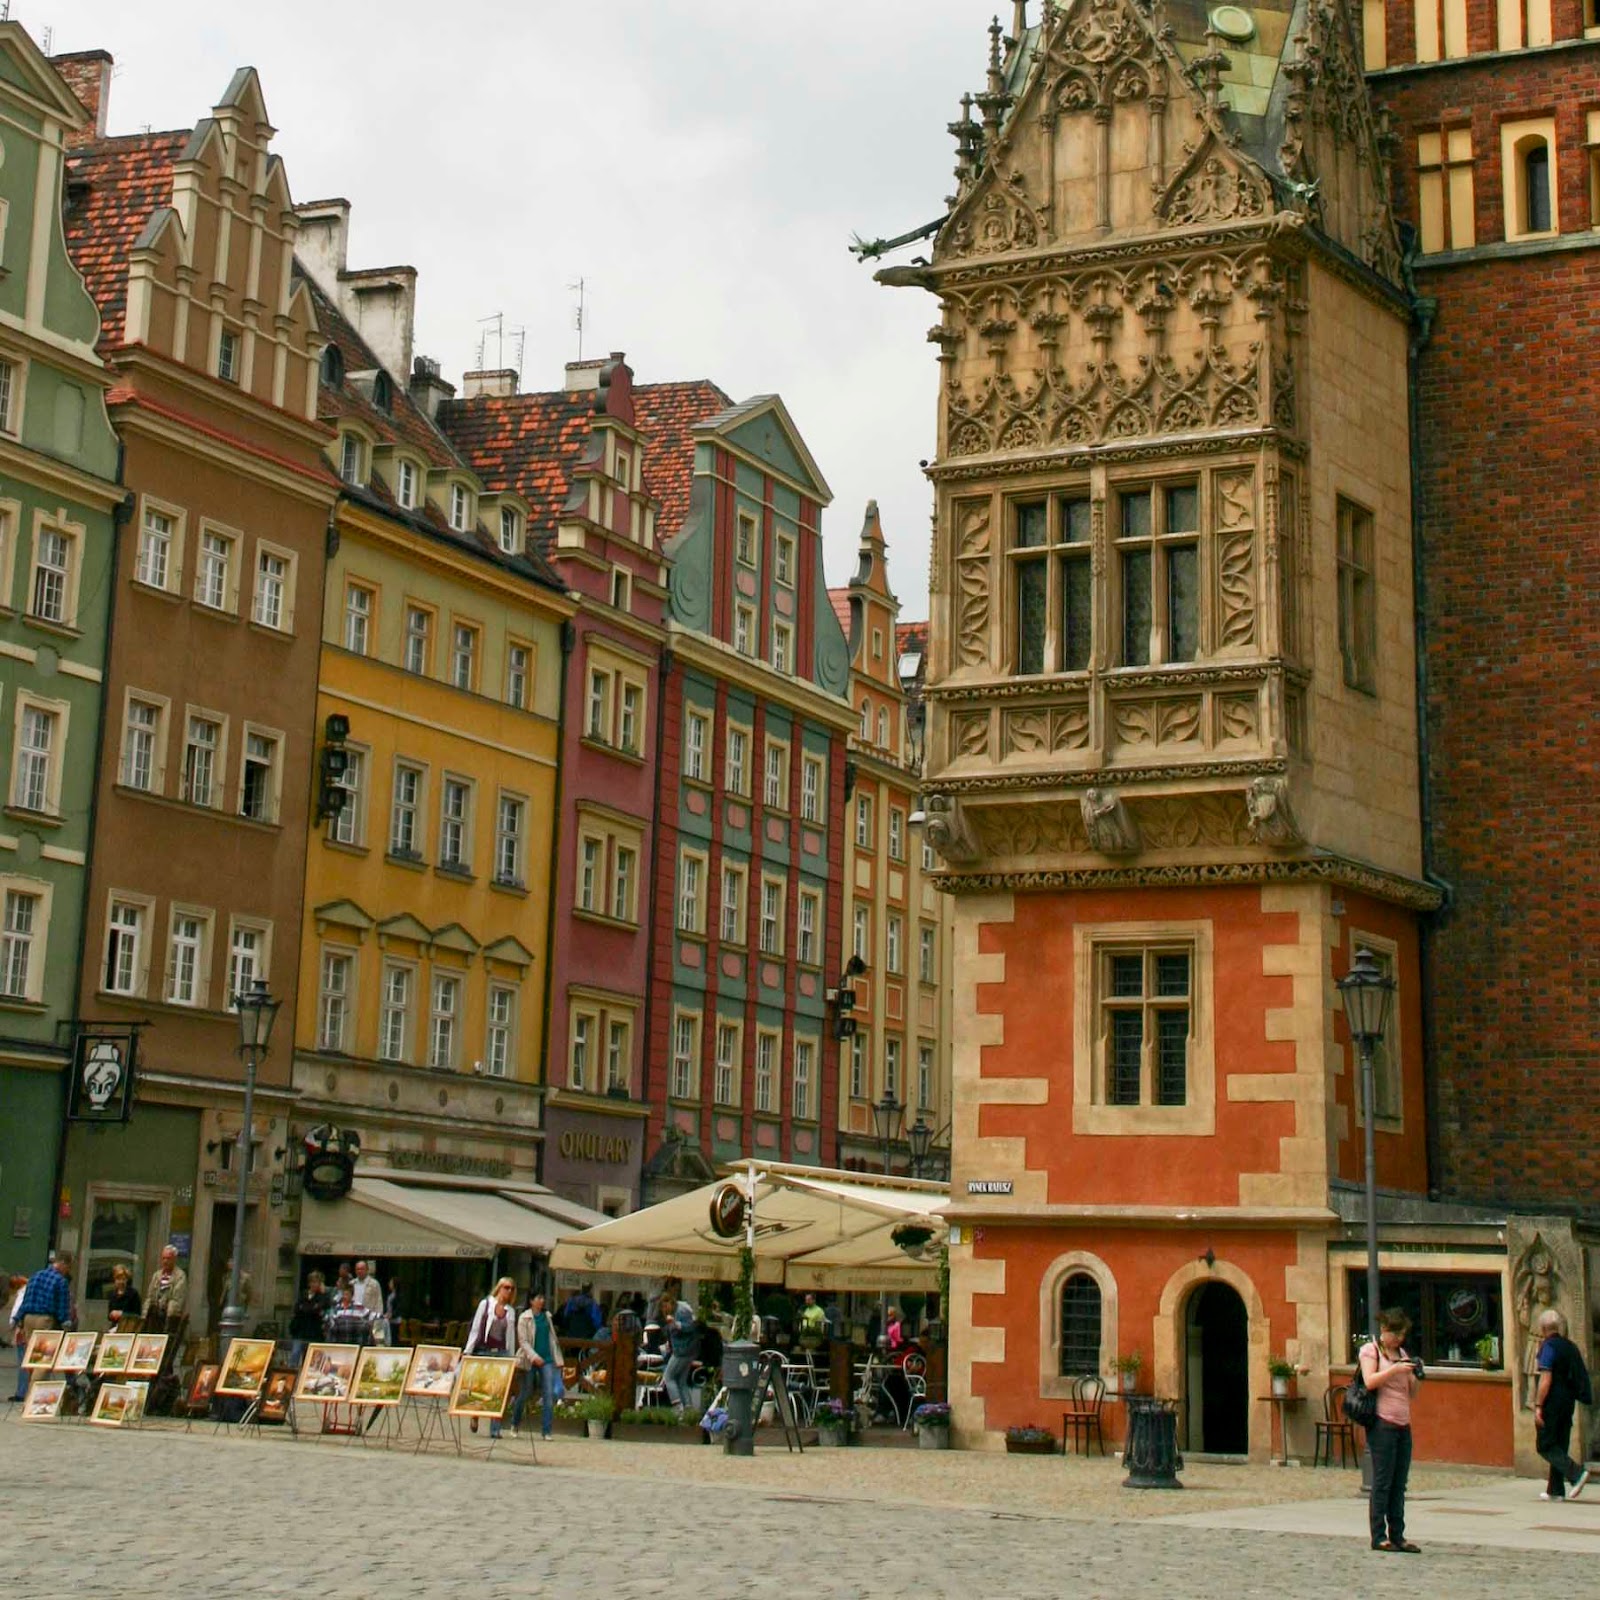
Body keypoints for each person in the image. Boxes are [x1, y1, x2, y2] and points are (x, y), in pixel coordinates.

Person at [1359, 1307, 1423, 1553]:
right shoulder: (1371, 1351)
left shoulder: (1403, 1353)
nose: (1399, 1340)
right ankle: (1378, 1535)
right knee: (1383, 1481)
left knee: (1399, 1483)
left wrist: (1415, 1375)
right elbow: (1369, 1381)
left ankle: (1398, 1534)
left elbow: (1412, 1393)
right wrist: (1395, 1369)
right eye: (1395, 1334)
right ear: (1384, 1331)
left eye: (1402, 1335)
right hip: (1382, 1423)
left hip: (1402, 1423)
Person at [1533, 1307, 1592, 1501]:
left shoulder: (1548, 1347)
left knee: (1545, 1444)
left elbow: (1546, 1379)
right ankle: (1555, 1490)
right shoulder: (1570, 1346)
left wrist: (1539, 1406)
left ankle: (1576, 1474)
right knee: (1559, 1442)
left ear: (1542, 1328)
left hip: (1552, 1401)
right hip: (1568, 1400)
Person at [9, 1253, 74, 1403]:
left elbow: (25, 1299)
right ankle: (33, 1399)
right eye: (69, 1267)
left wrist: (18, 1319)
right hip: (45, 1320)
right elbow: (62, 1308)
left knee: (31, 1359)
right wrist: (66, 1324)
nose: (68, 1271)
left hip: (28, 1319)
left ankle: (29, 1392)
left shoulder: (35, 1276)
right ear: (63, 1264)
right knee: (43, 1360)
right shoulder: (60, 1281)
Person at [464, 1277, 517, 1438]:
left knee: (498, 1391)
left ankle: (495, 1429)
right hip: (484, 1349)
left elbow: (510, 1337)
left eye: (511, 1289)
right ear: (499, 1288)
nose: (508, 1291)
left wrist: (512, 1357)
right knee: (479, 1386)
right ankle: (475, 1415)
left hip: (500, 1352)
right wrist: (468, 1350)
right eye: (506, 1287)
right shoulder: (486, 1304)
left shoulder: (510, 1311)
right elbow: (475, 1328)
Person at [512, 1289, 564, 1440]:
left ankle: (546, 1430)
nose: (542, 1301)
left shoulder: (547, 1317)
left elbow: (552, 1339)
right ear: (531, 1301)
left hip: (547, 1359)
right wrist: (534, 1356)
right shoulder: (524, 1318)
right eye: (539, 1298)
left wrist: (557, 1360)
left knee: (548, 1394)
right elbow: (523, 1341)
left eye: (543, 1297)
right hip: (530, 1359)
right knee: (526, 1392)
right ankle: (515, 1423)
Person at [661, 1296, 697, 1413]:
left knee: (668, 1377)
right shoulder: (674, 1312)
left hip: (682, 1351)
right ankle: (688, 1409)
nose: (665, 1309)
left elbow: (691, 1327)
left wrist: (676, 1324)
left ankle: (678, 1408)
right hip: (684, 1350)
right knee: (681, 1381)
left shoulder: (681, 1311)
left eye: (666, 1306)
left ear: (671, 1302)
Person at [288, 1272, 329, 1369]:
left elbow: (320, 1307)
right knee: (295, 1353)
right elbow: (297, 1308)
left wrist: (308, 1308)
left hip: (314, 1332)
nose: (315, 1284)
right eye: (313, 1282)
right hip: (300, 1331)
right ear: (309, 1283)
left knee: (310, 1357)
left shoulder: (322, 1296)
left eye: (317, 1282)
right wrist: (311, 1308)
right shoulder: (303, 1294)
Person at [143, 1245, 188, 1331]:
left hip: (170, 1317)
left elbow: (177, 1300)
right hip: (154, 1316)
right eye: (163, 1258)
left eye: (168, 1258)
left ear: (174, 1259)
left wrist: (168, 1318)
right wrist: (144, 1315)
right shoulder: (157, 1275)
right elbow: (149, 1296)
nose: (165, 1261)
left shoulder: (180, 1276)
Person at [385, 1278, 401, 1346]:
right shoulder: (390, 1294)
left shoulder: (398, 1295)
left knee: (394, 1337)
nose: (389, 1284)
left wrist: (392, 1315)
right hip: (388, 1319)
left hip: (395, 1320)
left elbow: (399, 1308)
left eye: (391, 1283)